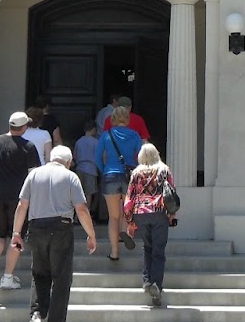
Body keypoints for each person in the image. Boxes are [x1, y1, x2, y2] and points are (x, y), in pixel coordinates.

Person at [14, 144, 97, 322]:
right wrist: (91, 234)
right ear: (68, 162)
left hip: (36, 227)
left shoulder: (34, 175)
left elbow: (22, 205)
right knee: (61, 278)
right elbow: (82, 208)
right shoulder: (70, 177)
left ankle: (36, 313)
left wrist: (17, 232)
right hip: (61, 227)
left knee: (40, 273)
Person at [0, 110, 43, 289]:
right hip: (19, 198)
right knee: (15, 236)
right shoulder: (28, 146)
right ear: (24, 127)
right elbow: (33, 174)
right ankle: (8, 277)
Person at [124, 142, 178, 308]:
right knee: (159, 251)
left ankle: (147, 281)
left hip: (140, 213)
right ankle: (156, 285)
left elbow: (129, 196)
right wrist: (172, 214)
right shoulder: (164, 170)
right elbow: (171, 193)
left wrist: (129, 219)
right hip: (159, 212)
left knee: (147, 248)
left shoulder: (136, 173)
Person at [96, 105, 144, 261]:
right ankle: (124, 232)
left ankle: (114, 252)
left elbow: (97, 158)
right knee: (126, 212)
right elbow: (141, 158)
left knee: (113, 216)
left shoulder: (106, 135)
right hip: (129, 176)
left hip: (110, 174)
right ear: (127, 119)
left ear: (113, 119)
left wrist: (105, 170)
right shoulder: (135, 135)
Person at [73, 116, 102, 226]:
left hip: (79, 168)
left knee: (78, 194)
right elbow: (99, 157)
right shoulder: (96, 142)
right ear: (93, 129)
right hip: (91, 169)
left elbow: (75, 155)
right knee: (89, 193)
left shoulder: (79, 141)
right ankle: (86, 215)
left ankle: (76, 217)